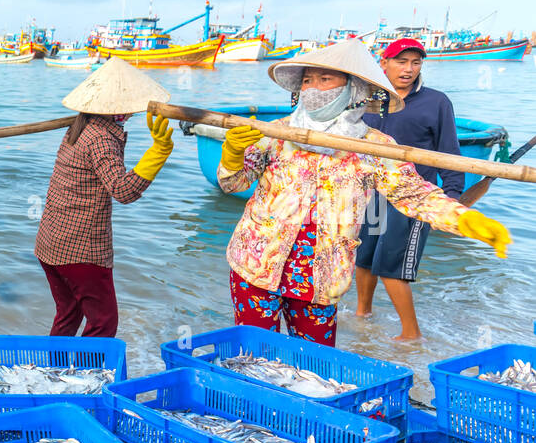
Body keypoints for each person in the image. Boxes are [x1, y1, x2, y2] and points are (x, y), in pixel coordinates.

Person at [217, 39, 509, 346]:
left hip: (321, 277)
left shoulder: (373, 147)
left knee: (313, 367)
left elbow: (414, 194)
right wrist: (233, 154)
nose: (313, 88)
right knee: (253, 357)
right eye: (307, 80)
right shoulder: (276, 134)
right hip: (255, 264)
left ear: (352, 89)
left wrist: (464, 219)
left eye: (325, 79)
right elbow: (232, 183)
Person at [33, 59, 174, 337]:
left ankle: (53, 372)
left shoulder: (79, 127)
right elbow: (123, 191)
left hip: (51, 244)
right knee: (104, 322)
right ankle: (90, 376)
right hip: (79, 250)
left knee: (68, 313)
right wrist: (158, 153)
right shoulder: (100, 138)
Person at [354, 38, 465, 340]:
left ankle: (411, 336)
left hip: (414, 198)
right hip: (371, 193)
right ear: (384, 63)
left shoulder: (436, 102)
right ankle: (363, 315)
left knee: (392, 266)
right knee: (363, 259)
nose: (409, 69)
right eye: (401, 62)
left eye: (416, 63)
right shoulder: (367, 99)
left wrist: (452, 196)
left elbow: (448, 150)